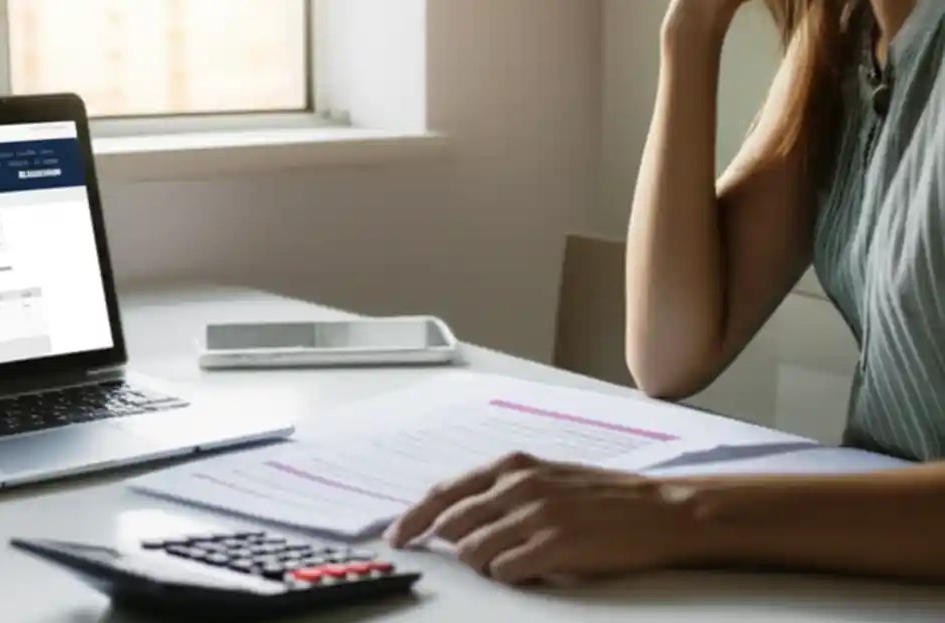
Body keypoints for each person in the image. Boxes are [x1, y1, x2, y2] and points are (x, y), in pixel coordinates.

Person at [385, 0, 945, 584]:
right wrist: (690, 32)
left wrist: (678, 509)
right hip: (880, 582)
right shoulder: (845, 30)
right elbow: (669, 352)